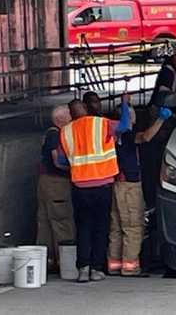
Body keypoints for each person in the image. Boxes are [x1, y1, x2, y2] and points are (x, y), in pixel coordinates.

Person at [55, 95, 131, 283]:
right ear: (86, 109)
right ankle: (96, 269)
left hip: (79, 187)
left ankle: (83, 269)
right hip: (102, 186)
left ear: (71, 115)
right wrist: (125, 104)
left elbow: (62, 160)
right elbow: (125, 126)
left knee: (83, 228)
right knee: (101, 227)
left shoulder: (65, 132)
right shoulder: (101, 123)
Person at [107, 102, 172, 276]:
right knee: (133, 226)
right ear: (127, 117)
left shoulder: (113, 134)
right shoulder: (127, 134)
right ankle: (130, 267)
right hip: (129, 186)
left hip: (116, 184)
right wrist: (160, 120)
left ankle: (114, 264)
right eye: (132, 113)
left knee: (117, 227)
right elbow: (146, 137)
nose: (135, 116)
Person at [36, 105, 75, 272]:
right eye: (70, 115)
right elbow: (57, 160)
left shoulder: (49, 134)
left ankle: (46, 260)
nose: (72, 118)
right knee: (62, 221)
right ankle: (65, 261)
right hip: (57, 183)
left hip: (45, 182)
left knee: (44, 222)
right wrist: (74, 168)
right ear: (61, 119)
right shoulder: (55, 134)